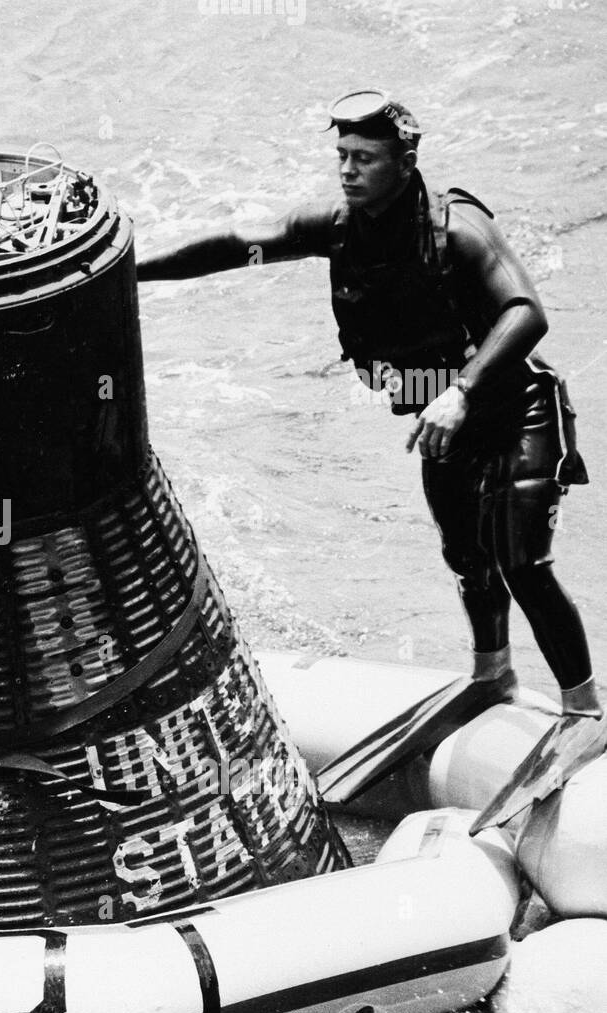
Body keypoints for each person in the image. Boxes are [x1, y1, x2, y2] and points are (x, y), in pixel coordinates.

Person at [136, 90, 604, 823]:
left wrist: (460, 392)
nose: (348, 173)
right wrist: (129, 272)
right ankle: (492, 674)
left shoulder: (459, 233)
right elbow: (237, 244)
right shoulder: (341, 228)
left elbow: (527, 313)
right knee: (463, 554)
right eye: (341, 158)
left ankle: (583, 709)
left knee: (520, 559)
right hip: (444, 421)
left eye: (365, 159)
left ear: (405, 161)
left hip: (517, 412)